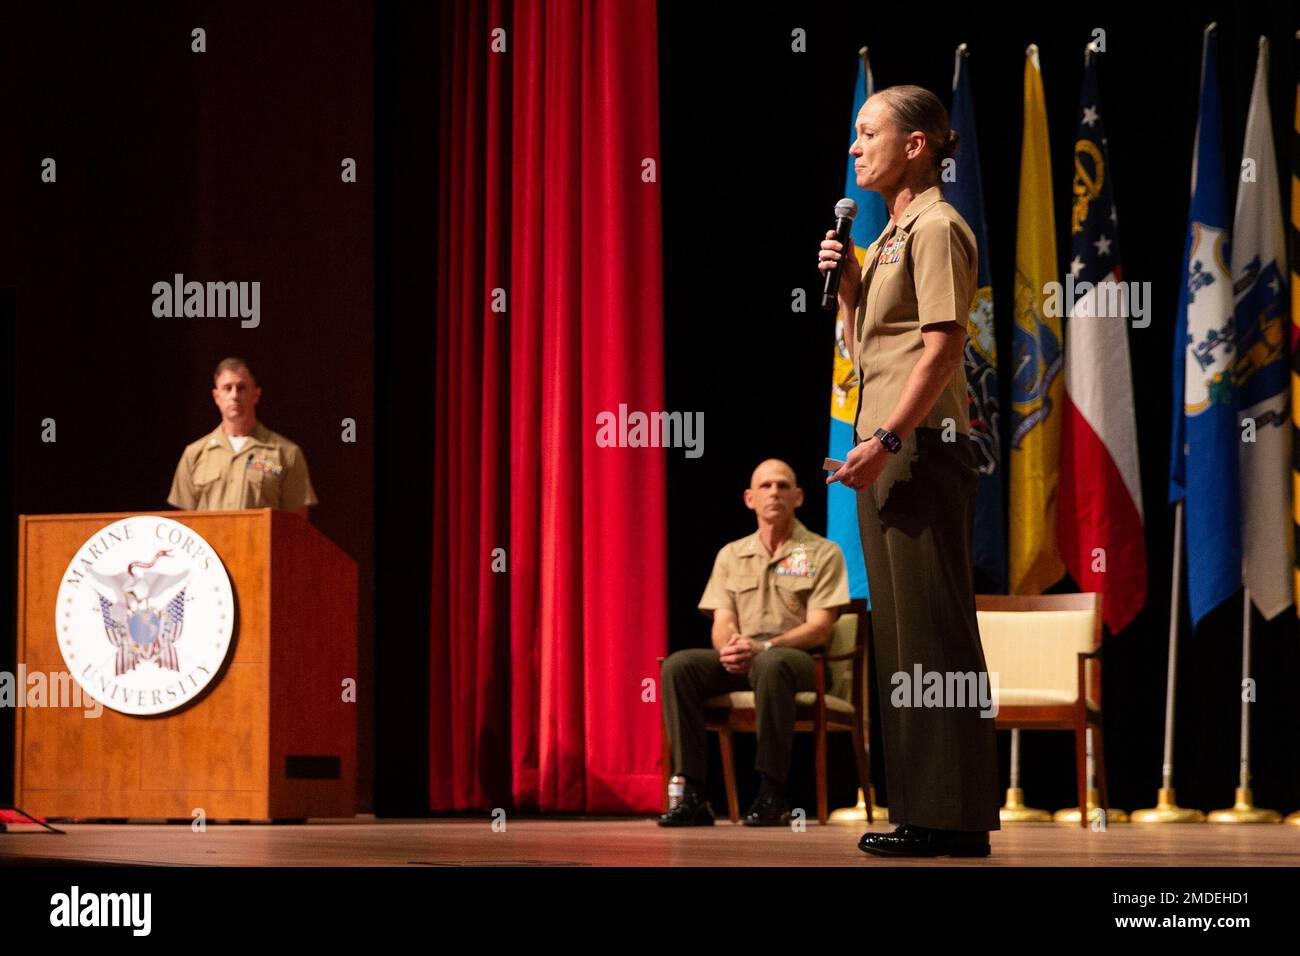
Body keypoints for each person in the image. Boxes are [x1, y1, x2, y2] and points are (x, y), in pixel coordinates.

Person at [817, 84, 1000, 857]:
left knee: (935, 635)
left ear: (916, 145)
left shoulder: (936, 226)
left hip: (919, 449)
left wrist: (888, 440)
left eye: (868, 134)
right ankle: (928, 809)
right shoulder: (889, 234)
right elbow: (870, 358)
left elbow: (944, 348)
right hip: (888, 447)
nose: (855, 149)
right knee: (903, 636)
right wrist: (851, 296)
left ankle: (951, 817)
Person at [657, 459, 850, 826]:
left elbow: (821, 627)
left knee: (771, 663)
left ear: (798, 496)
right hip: (745, 657)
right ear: (749, 498)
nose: (774, 492)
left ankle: (771, 792)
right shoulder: (731, 554)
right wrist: (730, 648)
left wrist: (766, 647)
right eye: (765, 486)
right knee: (680, 667)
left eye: (782, 486)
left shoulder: (823, 552)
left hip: (799, 662)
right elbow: (722, 619)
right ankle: (693, 793)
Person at [167, 357, 319, 516]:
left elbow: (297, 525)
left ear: (256, 394)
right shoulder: (194, 454)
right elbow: (184, 526)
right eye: (227, 388)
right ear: (216, 397)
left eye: (241, 388)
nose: (234, 395)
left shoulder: (286, 454)